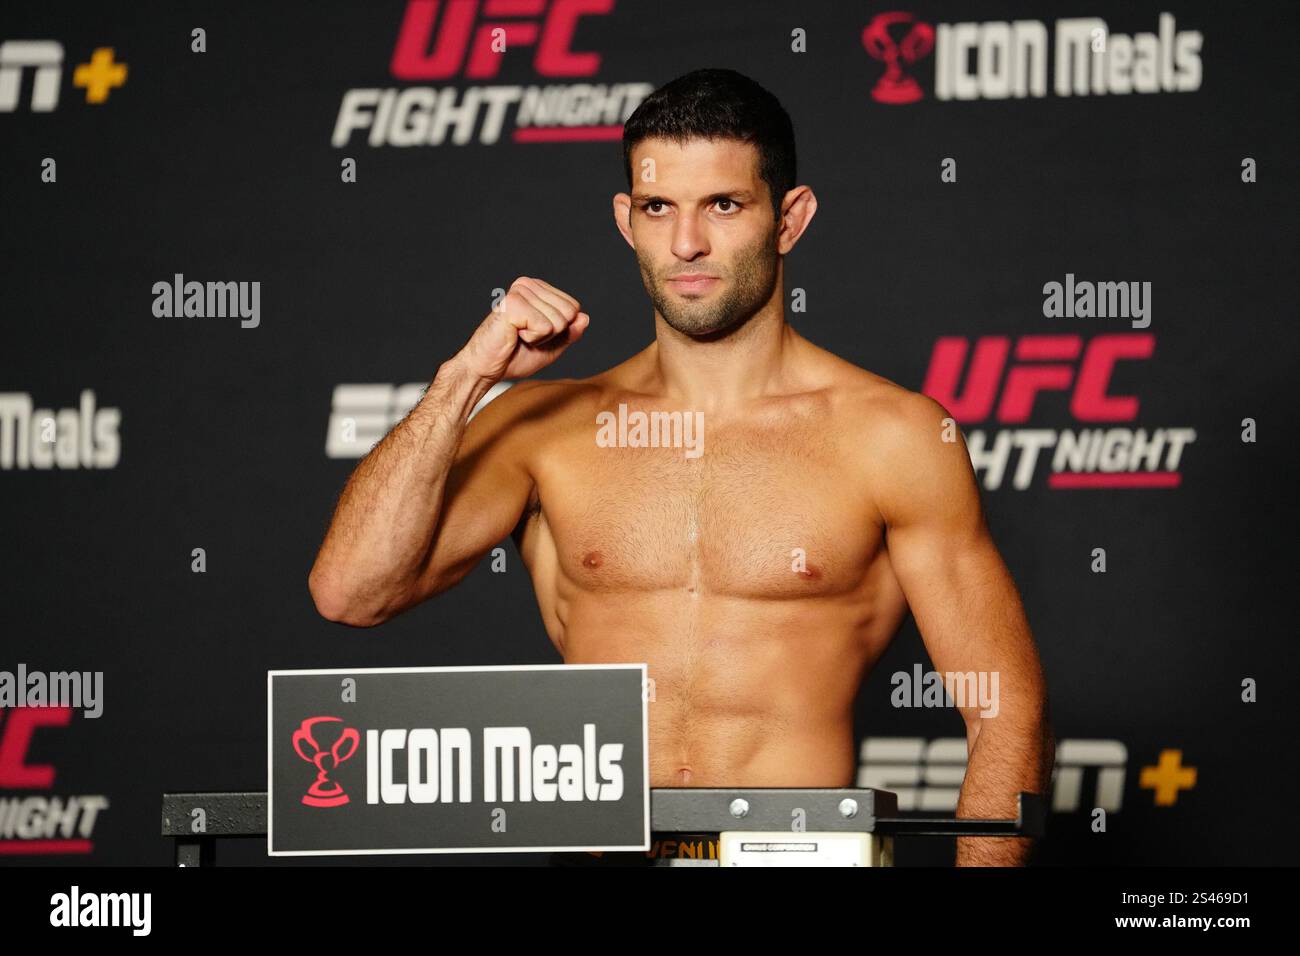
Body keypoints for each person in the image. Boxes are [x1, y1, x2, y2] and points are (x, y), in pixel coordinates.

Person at [308, 68, 1054, 866]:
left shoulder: (892, 436)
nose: (686, 243)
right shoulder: (545, 428)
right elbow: (352, 592)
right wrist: (465, 380)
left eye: (723, 206)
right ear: (626, 220)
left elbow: (1006, 713)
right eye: (658, 208)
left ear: (789, 219)